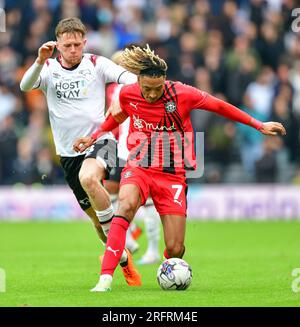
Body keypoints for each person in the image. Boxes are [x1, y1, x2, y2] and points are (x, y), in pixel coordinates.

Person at [74, 44, 286, 291]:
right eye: (147, 89)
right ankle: (105, 278)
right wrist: (95, 135)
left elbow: (219, 106)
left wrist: (258, 124)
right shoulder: (127, 94)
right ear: (138, 83)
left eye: (157, 89)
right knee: (126, 206)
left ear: (164, 81)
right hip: (139, 166)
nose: (152, 94)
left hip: (172, 173)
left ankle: (168, 264)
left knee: (176, 248)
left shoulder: (183, 93)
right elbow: (116, 118)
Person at [19, 17, 141, 289]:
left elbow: (131, 80)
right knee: (98, 224)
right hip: (67, 154)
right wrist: (39, 60)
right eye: (68, 45)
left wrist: (121, 97)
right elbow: (25, 86)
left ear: (84, 43)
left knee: (90, 178)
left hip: (101, 141)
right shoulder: (48, 68)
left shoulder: (97, 64)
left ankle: (115, 255)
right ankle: (122, 257)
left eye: (77, 44)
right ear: (58, 44)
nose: (73, 49)